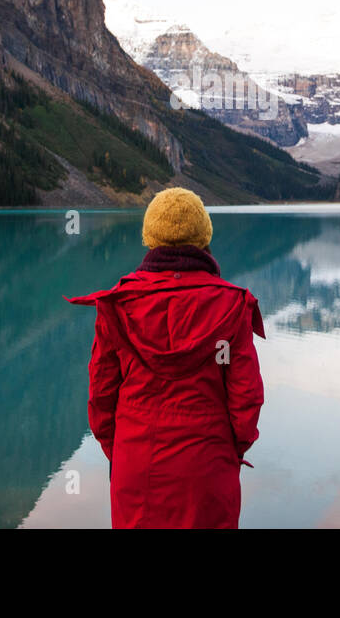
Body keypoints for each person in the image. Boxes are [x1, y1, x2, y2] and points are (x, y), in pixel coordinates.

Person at [66, 186, 265, 528]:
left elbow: (100, 396)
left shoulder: (118, 305)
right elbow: (246, 398)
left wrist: (121, 449)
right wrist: (230, 451)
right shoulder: (232, 305)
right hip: (208, 464)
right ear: (204, 237)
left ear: (150, 238)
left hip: (136, 460)